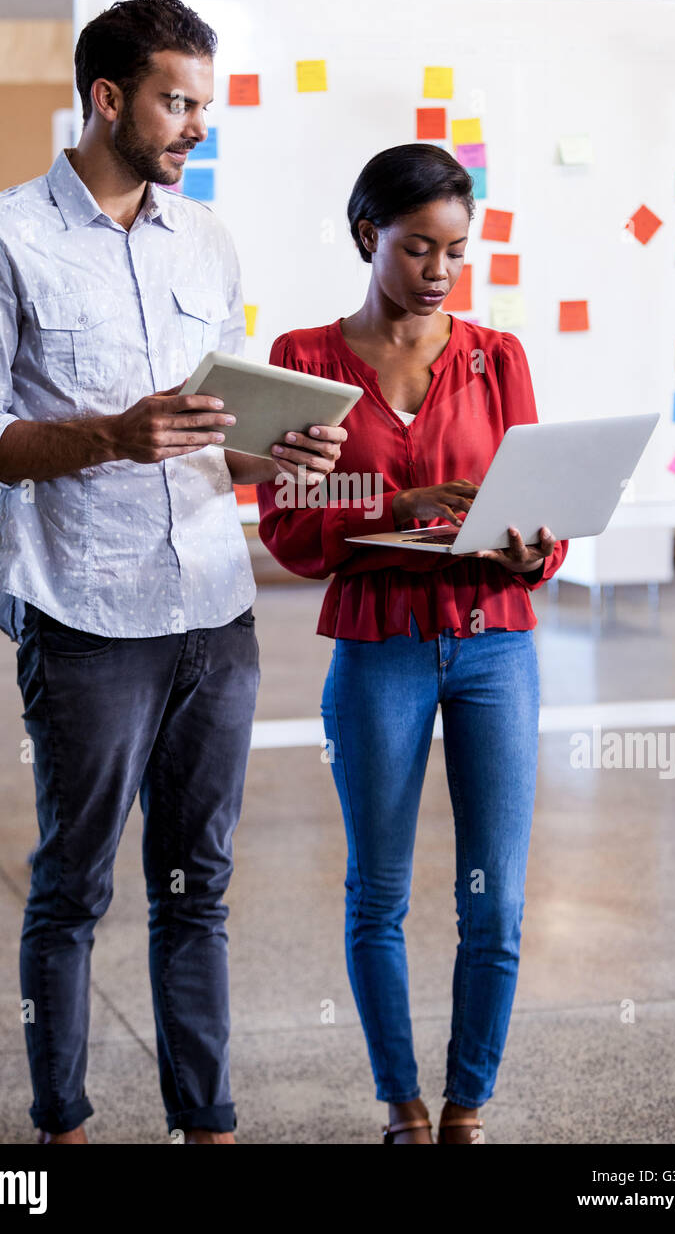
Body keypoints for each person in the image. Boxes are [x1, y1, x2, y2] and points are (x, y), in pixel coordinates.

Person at [0, 0, 346, 1145]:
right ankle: (60, 1126)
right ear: (106, 96)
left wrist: (280, 454)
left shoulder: (204, 241)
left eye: (203, 103)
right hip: (86, 610)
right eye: (175, 100)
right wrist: (108, 434)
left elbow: (208, 435)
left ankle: (201, 1123)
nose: (194, 125)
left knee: (194, 887)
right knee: (74, 886)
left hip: (216, 605)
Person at [257, 143, 568, 1144]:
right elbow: (293, 529)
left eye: (454, 252)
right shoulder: (304, 362)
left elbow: (542, 524)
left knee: (496, 901)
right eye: (416, 248)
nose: (438, 272)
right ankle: (400, 1102)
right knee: (377, 892)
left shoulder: (495, 358)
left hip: (494, 646)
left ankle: (466, 1108)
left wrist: (529, 547)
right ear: (366, 237)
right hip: (378, 647)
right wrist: (399, 504)